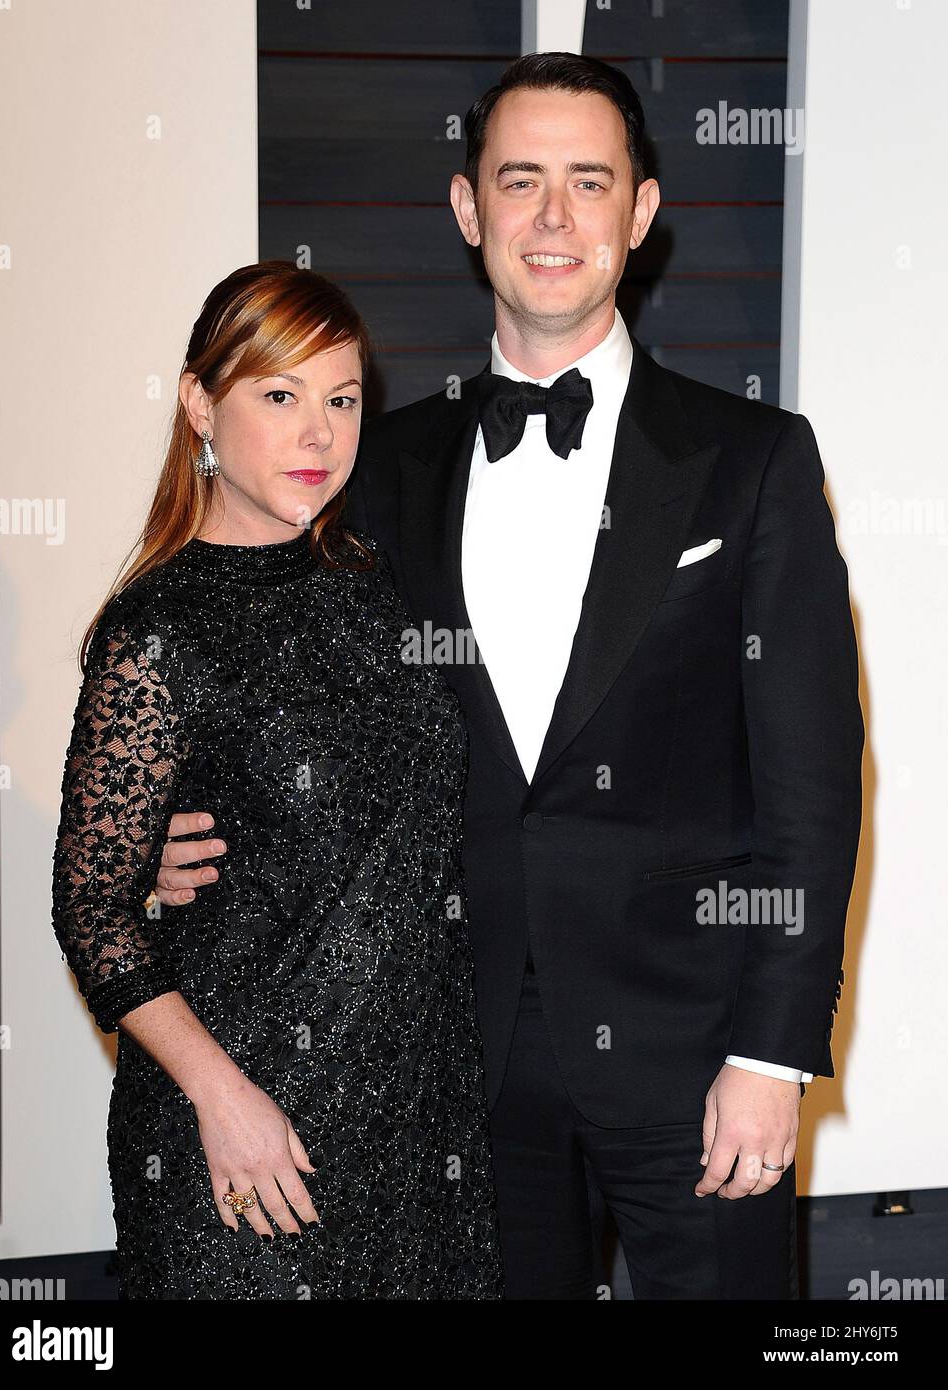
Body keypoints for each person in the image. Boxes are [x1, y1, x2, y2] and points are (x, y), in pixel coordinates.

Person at [155, 55, 864, 1299]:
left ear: (638, 215)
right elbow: (275, 695)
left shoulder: (749, 459)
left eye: (587, 183)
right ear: (466, 209)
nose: (551, 217)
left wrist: (772, 1051)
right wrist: (172, 840)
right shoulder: (383, 465)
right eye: (518, 180)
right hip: (449, 1057)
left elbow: (813, 783)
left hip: (697, 1056)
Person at [51, 263, 503, 1300]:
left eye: (340, 400)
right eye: (280, 395)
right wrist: (224, 1099)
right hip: (252, 1135)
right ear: (201, 403)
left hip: (415, 1130)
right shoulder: (156, 634)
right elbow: (90, 913)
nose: (319, 434)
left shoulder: (376, 585)